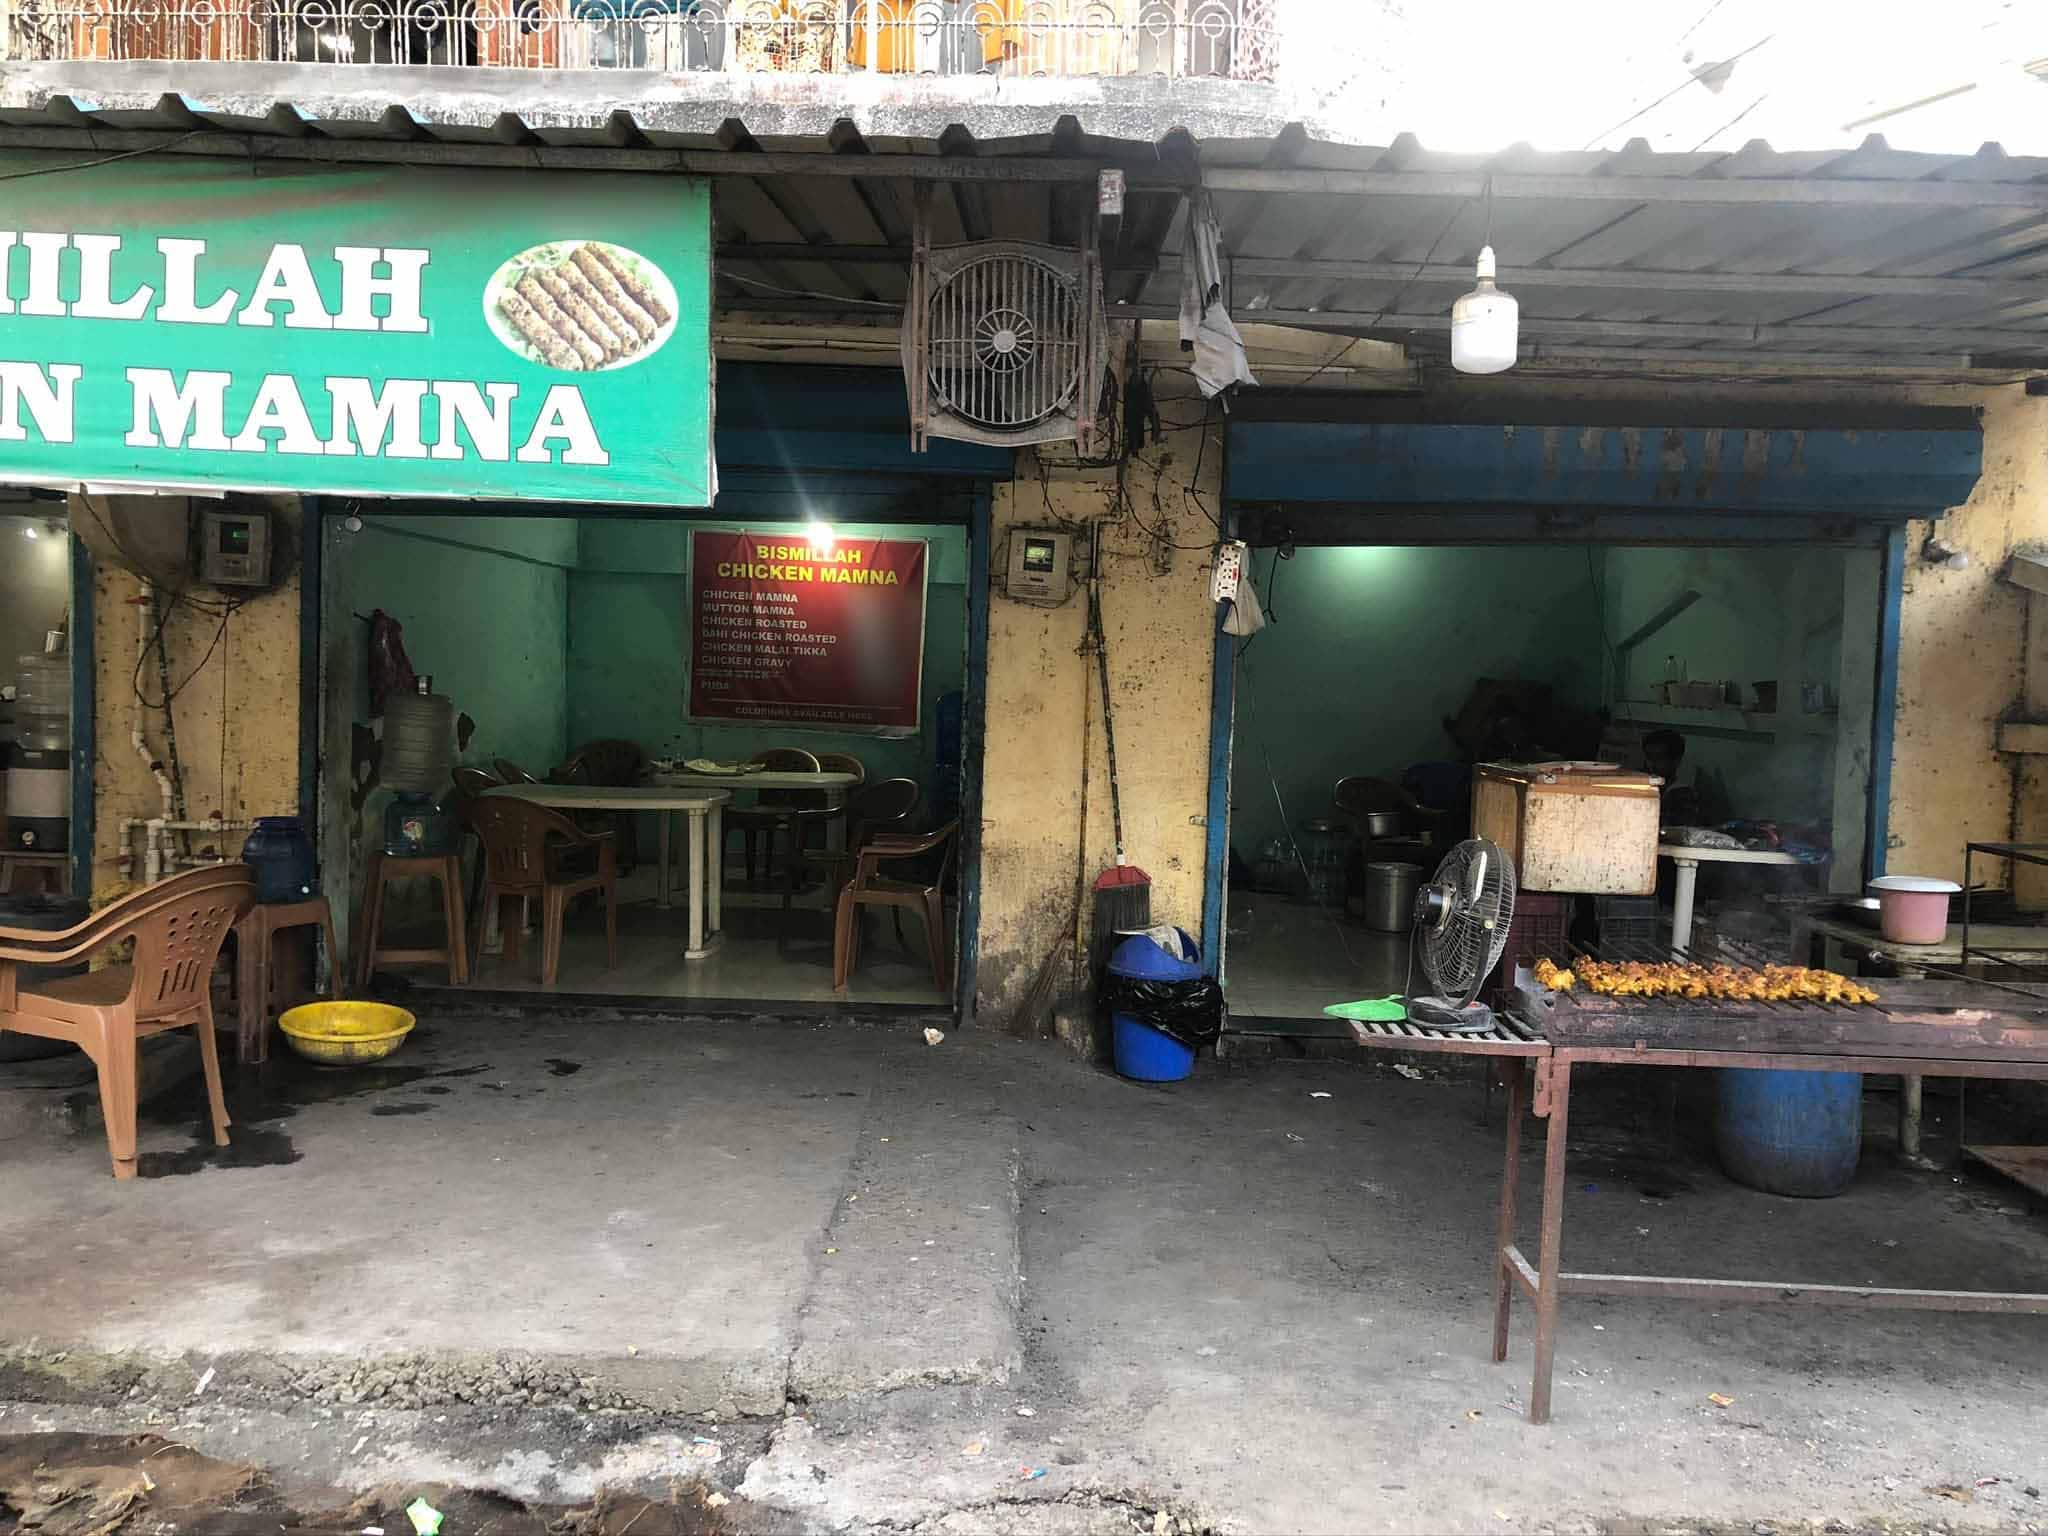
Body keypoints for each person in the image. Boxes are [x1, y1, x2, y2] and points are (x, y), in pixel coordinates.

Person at [1642, 729, 1702, 825]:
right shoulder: (1643, 785)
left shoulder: (1683, 794)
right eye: (1649, 757)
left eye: (1659, 758)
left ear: (1676, 761)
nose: (1652, 763)